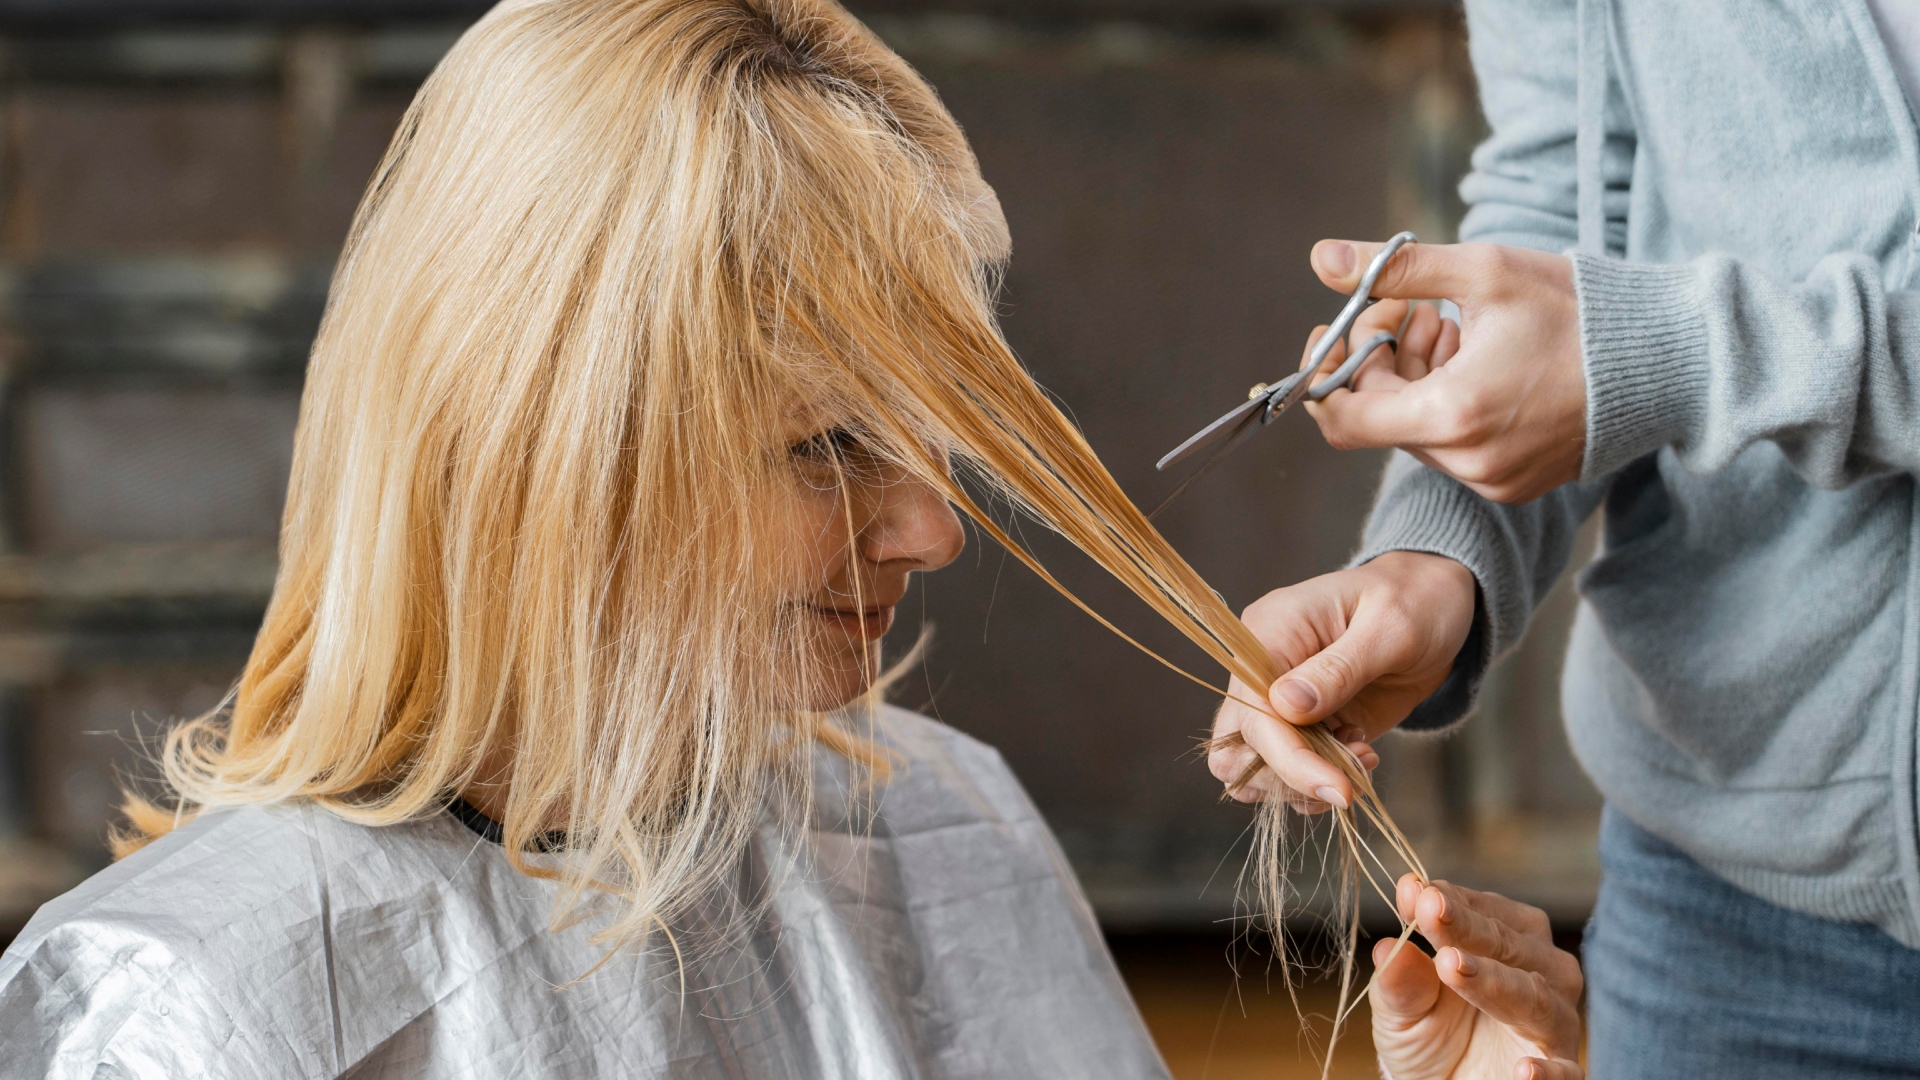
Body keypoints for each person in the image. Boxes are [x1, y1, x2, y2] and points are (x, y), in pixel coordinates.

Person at [1211, 0, 1920, 1075]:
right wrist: (1434, 552)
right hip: (1721, 888)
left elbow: (1628, 336)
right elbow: (1570, 194)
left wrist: (1675, 353)